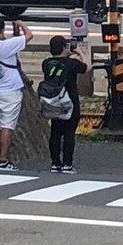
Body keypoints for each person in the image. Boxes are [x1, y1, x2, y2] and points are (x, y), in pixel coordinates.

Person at [0, 15, 32, 170]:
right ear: (2, 29)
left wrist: (13, 34)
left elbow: (8, 45)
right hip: (10, 91)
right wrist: (20, 24)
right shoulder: (7, 46)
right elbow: (29, 36)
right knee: (7, 126)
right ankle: (4, 159)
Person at [40, 35, 88, 173]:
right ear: (63, 47)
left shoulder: (46, 63)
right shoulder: (71, 63)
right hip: (69, 101)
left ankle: (55, 163)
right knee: (69, 133)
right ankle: (68, 163)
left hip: (52, 100)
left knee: (55, 132)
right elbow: (86, 67)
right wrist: (80, 52)